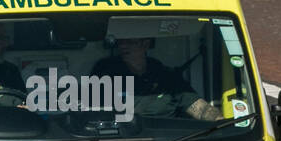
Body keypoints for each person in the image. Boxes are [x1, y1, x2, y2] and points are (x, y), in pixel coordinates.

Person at [91, 37, 222, 120]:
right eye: (120, 42)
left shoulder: (166, 76)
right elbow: (91, 115)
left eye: (130, 41)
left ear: (146, 44)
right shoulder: (105, 74)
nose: (123, 46)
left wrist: (220, 122)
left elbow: (201, 109)